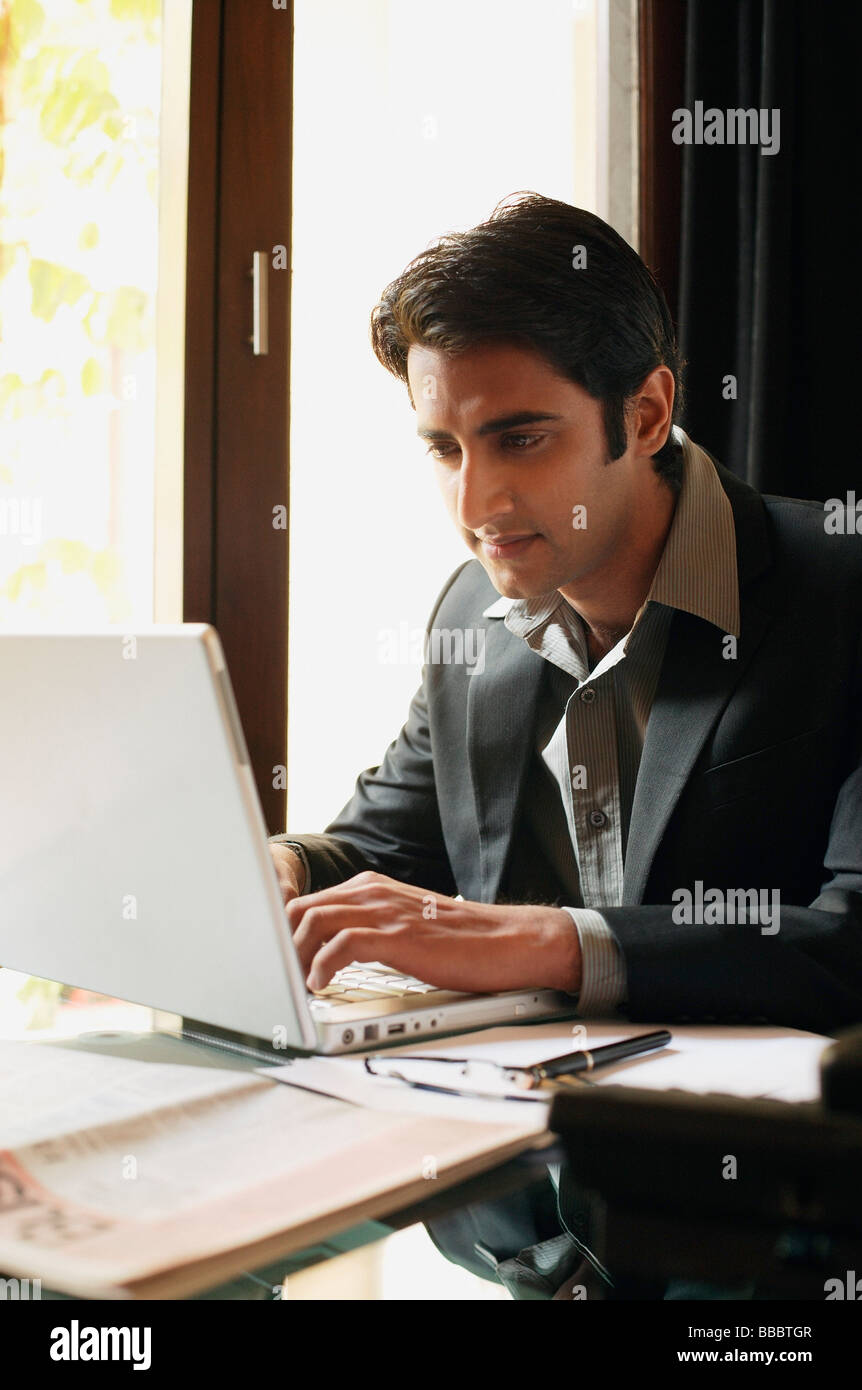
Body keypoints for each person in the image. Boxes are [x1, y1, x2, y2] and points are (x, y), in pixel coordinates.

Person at [266, 192, 862, 1298]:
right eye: (442, 447)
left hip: (760, 1244)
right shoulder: (464, 614)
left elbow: (849, 936)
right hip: (522, 1227)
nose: (475, 499)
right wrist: (281, 867)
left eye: (518, 439)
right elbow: (388, 845)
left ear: (643, 414)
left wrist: (544, 941)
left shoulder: (838, 592)